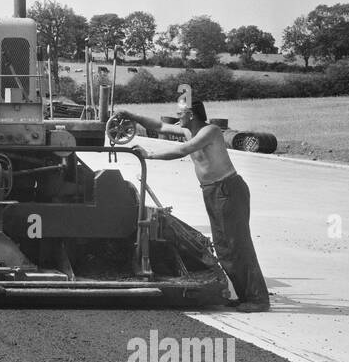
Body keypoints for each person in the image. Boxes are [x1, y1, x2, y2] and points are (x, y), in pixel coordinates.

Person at [116, 99, 270, 312]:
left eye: (180, 113)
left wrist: (149, 155)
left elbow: (182, 151)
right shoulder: (190, 131)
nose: (177, 116)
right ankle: (245, 296)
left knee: (238, 245)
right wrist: (132, 116)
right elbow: (159, 126)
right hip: (212, 191)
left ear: (191, 114)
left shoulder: (210, 131)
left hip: (228, 190)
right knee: (224, 247)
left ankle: (258, 299)